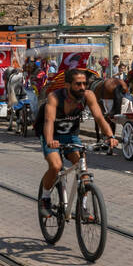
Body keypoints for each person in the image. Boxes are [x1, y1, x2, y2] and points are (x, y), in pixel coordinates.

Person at [37, 68, 118, 213]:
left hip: (71, 136)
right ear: (67, 85)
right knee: (56, 166)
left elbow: (99, 117)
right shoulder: (54, 97)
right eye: (78, 84)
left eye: (84, 84)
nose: (82, 87)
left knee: (83, 171)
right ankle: (45, 197)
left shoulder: (88, 95)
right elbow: (49, 121)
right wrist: (50, 141)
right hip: (52, 136)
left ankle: (83, 207)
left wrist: (110, 136)